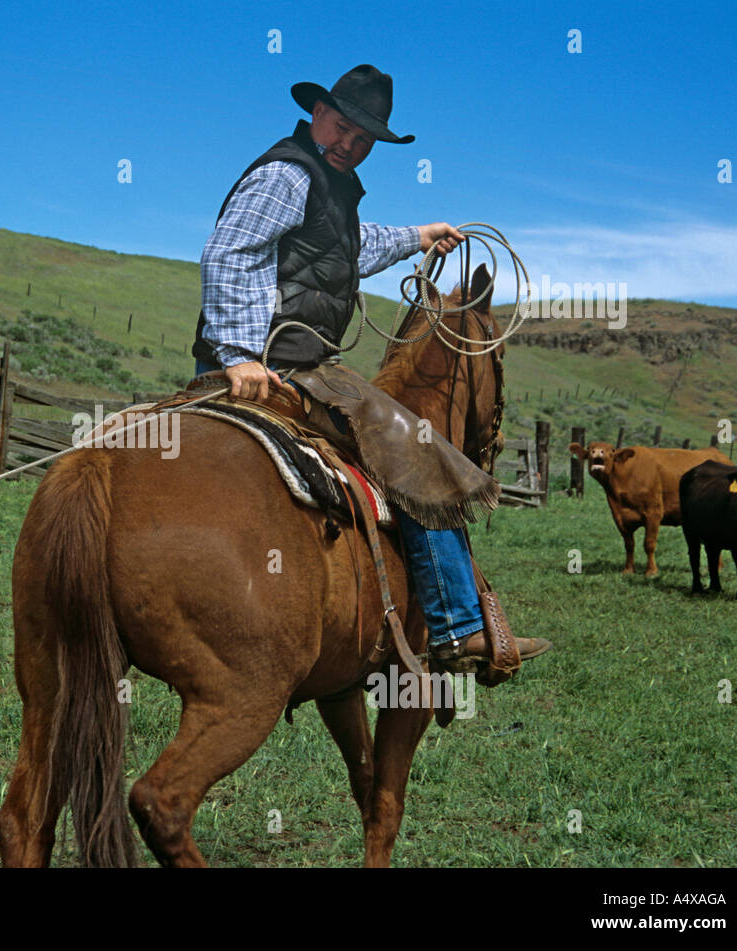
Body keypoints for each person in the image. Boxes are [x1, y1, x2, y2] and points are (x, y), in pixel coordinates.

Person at [191, 64, 549, 673]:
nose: (348, 144)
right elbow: (228, 250)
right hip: (282, 363)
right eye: (341, 127)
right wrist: (238, 356)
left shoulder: (330, 190)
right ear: (317, 114)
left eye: (362, 141)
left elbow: (354, 249)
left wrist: (419, 236)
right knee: (414, 443)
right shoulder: (288, 173)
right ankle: (459, 626)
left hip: (292, 359)